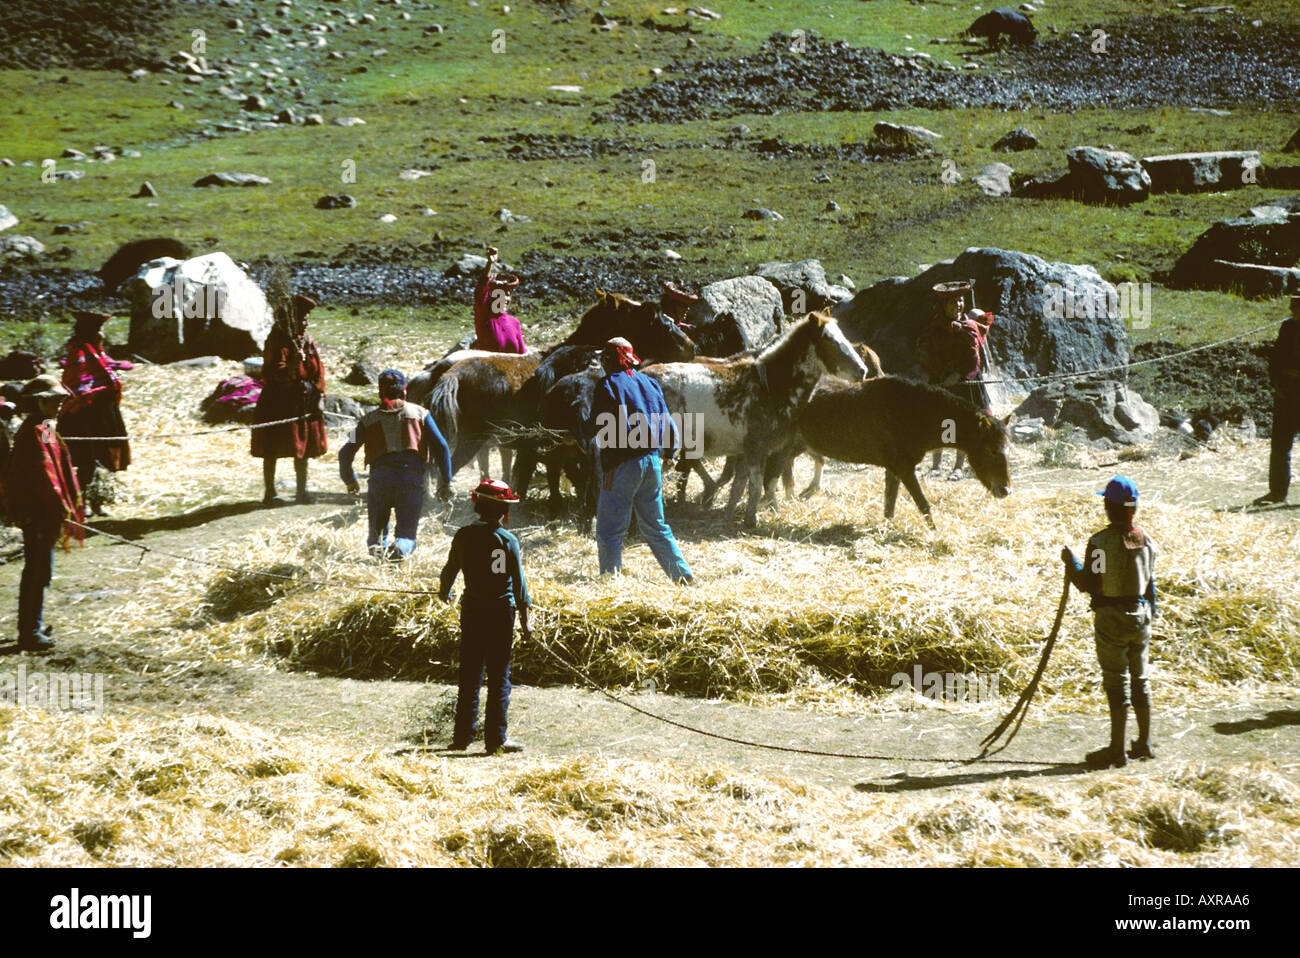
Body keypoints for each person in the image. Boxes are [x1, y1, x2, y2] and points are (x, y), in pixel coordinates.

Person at [1061, 476, 1158, 770]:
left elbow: (1089, 582)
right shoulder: (1146, 540)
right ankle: (1144, 743)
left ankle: (1117, 750)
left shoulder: (1100, 544)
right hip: (1141, 615)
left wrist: (1071, 562)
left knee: (1116, 683)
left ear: (1108, 506)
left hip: (1111, 619)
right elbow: (1150, 582)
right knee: (1140, 679)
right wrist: (1151, 613)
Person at [588, 337, 693, 583]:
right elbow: (666, 420)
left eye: (604, 358)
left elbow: (598, 424)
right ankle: (683, 576)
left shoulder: (608, 385)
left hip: (622, 465)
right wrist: (670, 451)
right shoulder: (649, 382)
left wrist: (578, 435)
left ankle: (610, 582)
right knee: (656, 527)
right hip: (652, 462)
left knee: (610, 530)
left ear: (609, 360)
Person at [439, 478, 531, 755]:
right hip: (501, 614)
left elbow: (450, 569)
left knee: (470, 674)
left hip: (472, 611)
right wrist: (527, 620)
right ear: (504, 512)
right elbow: (519, 584)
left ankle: (462, 737)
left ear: (477, 506)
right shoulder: (507, 540)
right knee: (499, 676)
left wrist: (445, 592)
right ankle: (495, 739)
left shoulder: (464, 535)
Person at [0, 376, 83, 652]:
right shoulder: (32, 432)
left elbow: (56, 458)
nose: (59, 405)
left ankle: (34, 625)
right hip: (37, 512)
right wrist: (61, 507)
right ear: (38, 402)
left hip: (44, 510)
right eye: (53, 400)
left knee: (41, 570)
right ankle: (29, 633)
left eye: (60, 400)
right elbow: (44, 473)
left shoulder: (45, 426)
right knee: (37, 570)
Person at [338, 369, 454, 560]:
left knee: (376, 536)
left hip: (379, 482)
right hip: (411, 481)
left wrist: (350, 480)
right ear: (404, 390)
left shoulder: (366, 420)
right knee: (407, 535)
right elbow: (441, 446)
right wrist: (446, 482)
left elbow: (345, 452)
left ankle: (377, 561)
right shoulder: (422, 414)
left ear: (380, 391)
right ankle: (400, 549)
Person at [251, 293, 328, 505]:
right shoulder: (277, 340)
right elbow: (274, 371)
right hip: (279, 401)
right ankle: (270, 493)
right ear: (292, 320)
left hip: (304, 401)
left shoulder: (306, 342)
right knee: (272, 448)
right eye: (301, 320)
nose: (305, 324)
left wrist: (320, 394)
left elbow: (319, 370)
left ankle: (301, 492)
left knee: (303, 448)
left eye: (306, 320)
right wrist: (294, 364)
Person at [918, 280, 995, 478]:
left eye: (960, 301)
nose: (958, 306)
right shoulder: (935, 327)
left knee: (963, 423)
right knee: (943, 422)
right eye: (953, 302)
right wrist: (928, 374)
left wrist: (958, 375)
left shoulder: (969, 327)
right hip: (941, 381)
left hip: (965, 382)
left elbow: (974, 359)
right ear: (943, 306)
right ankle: (936, 467)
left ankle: (958, 467)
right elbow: (926, 353)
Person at [58, 311, 132, 512]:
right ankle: (82, 503)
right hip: (87, 413)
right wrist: (100, 388)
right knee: (87, 459)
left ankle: (97, 500)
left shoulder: (97, 353)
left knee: (103, 456)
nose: (103, 335)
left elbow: (106, 370)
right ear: (90, 332)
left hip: (103, 410)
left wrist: (116, 368)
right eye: (100, 330)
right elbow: (78, 384)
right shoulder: (79, 353)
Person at [1253, 296, 1300, 506]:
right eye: (1292, 304)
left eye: (1297, 304)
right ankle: (1277, 493)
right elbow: (1276, 358)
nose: (1292, 308)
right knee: (1280, 445)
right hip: (1286, 393)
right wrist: (1277, 384)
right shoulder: (1288, 327)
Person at [472, 246, 526, 354]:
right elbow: (480, 289)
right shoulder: (485, 316)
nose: (505, 298)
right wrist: (489, 264)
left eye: (507, 294)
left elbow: (522, 354)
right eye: (499, 294)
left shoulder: (515, 323)